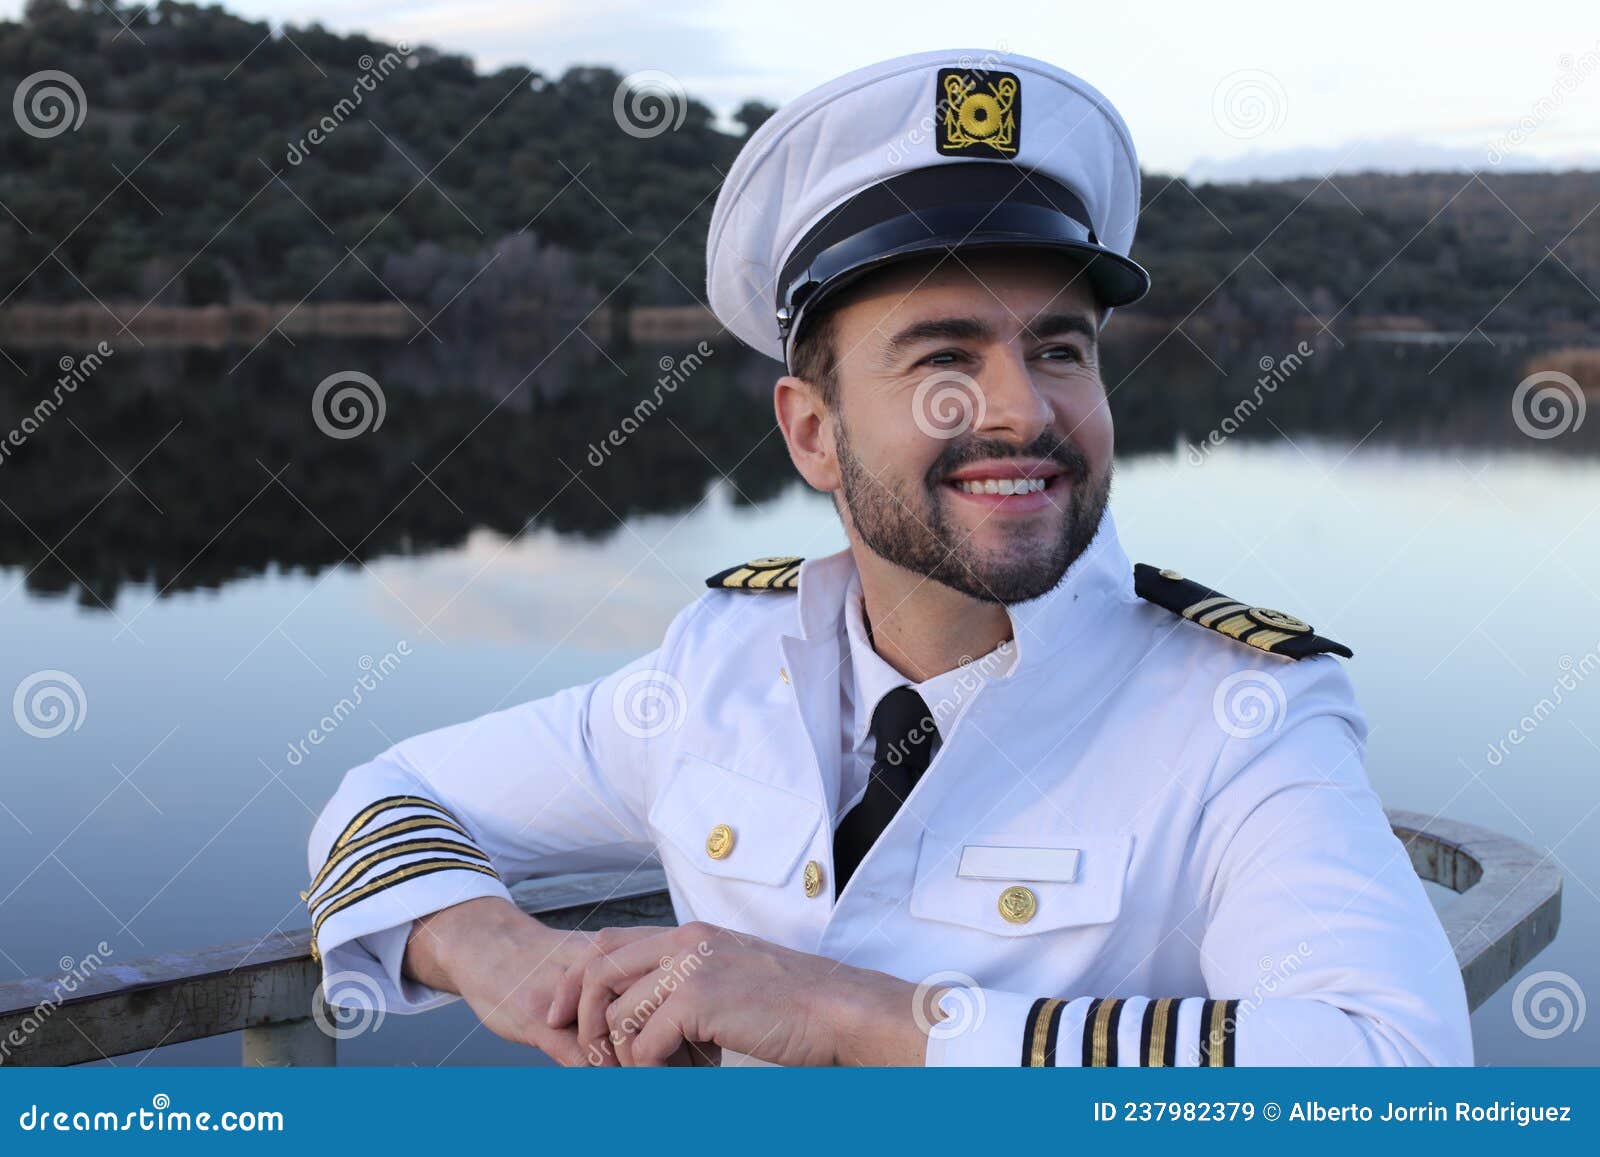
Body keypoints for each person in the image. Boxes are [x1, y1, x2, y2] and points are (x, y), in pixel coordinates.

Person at [302, 48, 1472, 1067]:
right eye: (942, 358)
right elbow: (386, 795)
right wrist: (497, 950)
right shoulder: (715, 668)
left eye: (1058, 348)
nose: (1021, 408)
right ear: (812, 431)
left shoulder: (1242, 712)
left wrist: (859, 1013)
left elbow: (1393, 1065)